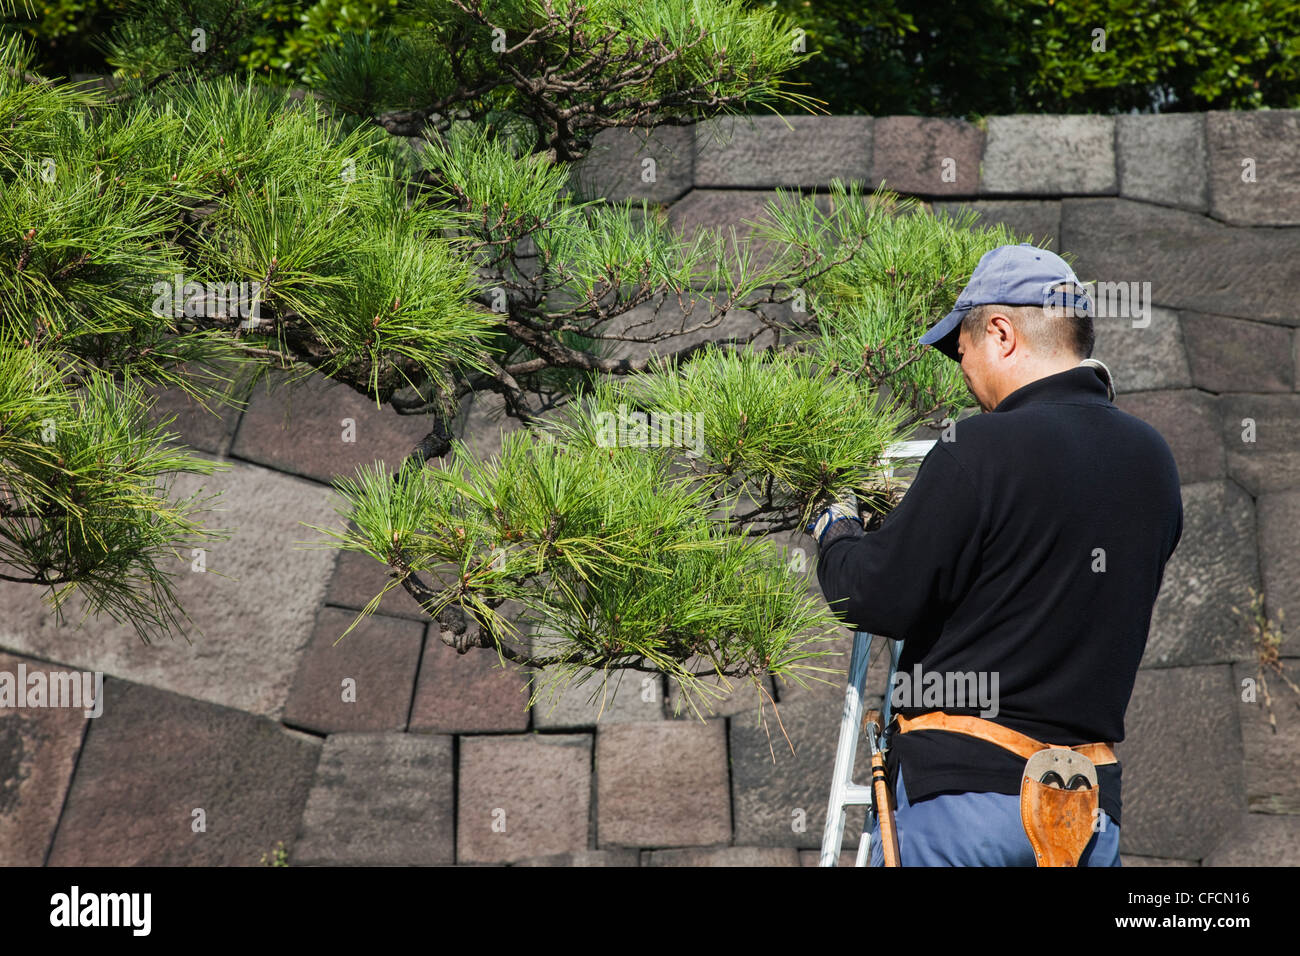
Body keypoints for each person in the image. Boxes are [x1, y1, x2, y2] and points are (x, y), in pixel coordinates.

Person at [806, 243, 1183, 866]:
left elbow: (873, 594)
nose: (964, 371)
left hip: (964, 809)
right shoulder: (1153, 461)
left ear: (1001, 333)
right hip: (1085, 820)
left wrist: (837, 528)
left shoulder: (977, 449)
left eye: (963, 351)